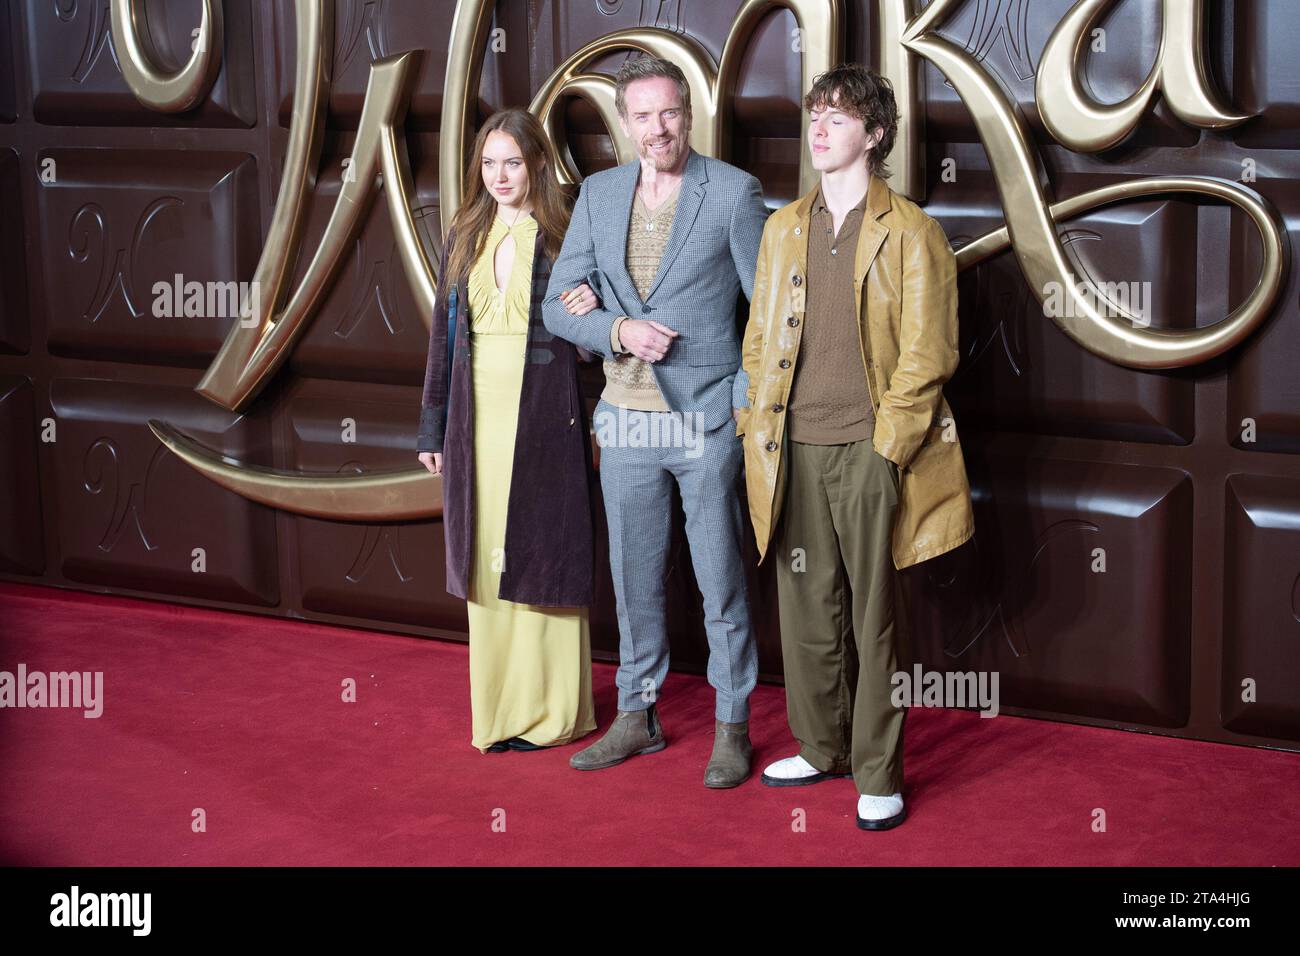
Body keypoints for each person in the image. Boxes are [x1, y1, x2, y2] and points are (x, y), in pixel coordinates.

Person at [736, 64, 974, 828]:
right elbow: (758, 339)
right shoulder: (781, 228)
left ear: (874, 135)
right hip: (790, 448)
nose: (818, 130)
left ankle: (878, 768)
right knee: (806, 607)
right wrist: (756, 423)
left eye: (836, 118)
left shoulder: (912, 230)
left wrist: (887, 448)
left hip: (871, 449)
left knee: (874, 618)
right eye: (813, 116)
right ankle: (820, 744)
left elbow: (929, 353)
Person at [542, 56, 769, 788]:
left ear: (688, 114)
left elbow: (766, 317)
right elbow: (559, 301)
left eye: (668, 112)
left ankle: (732, 726)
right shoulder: (600, 196)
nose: (657, 128)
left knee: (720, 581)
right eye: (642, 116)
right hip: (627, 423)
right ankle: (637, 719)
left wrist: (738, 406)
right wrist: (615, 330)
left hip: (705, 423)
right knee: (633, 581)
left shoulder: (733, 193)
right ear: (626, 123)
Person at [417, 108, 597, 755]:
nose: (499, 175)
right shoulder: (464, 233)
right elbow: (442, 338)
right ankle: (499, 712)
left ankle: (551, 713)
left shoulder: (563, 233)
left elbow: (591, 341)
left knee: (541, 553)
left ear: (538, 166)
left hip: (546, 417)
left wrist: (591, 314)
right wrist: (432, 428)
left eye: (512, 163)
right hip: (474, 422)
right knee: (487, 557)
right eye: (489, 163)